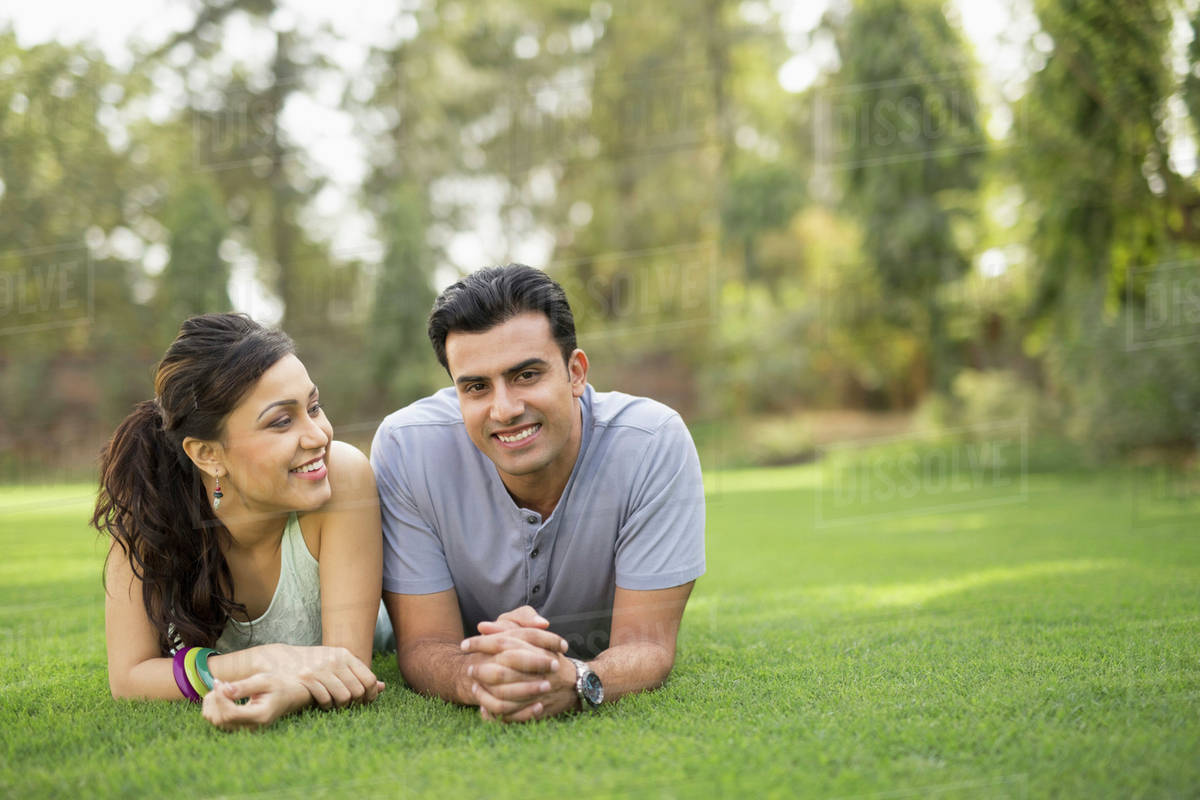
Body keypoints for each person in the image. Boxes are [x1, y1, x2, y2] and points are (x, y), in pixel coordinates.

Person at [372, 264, 705, 722]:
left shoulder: (652, 443)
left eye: (526, 375)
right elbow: (425, 646)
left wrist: (576, 680)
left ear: (575, 372)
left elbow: (646, 645)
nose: (505, 409)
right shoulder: (406, 447)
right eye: (475, 387)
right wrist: (477, 679)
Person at [93, 313, 391, 731]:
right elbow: (128, 677)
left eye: (314, 406)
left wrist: (288, 690)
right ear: (207, 454)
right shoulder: (153, 510)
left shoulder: (340, 475)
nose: (318, 435)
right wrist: (263, 661)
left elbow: (346, 664)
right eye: (281, 421)